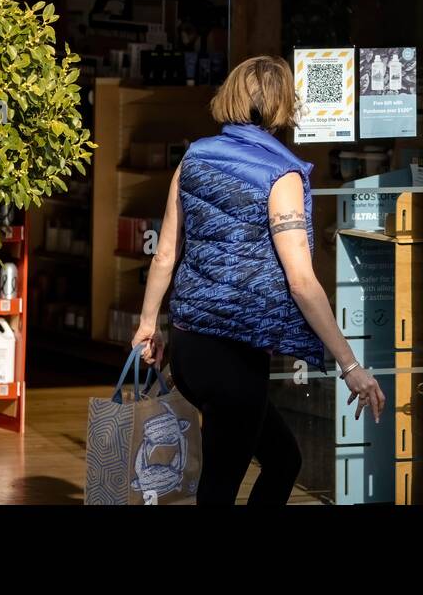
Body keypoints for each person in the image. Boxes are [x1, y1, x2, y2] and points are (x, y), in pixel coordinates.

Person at [132, 54, 386, 506]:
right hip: (234, 353)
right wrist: (350, 366)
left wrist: (147, 325)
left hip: (190, 348)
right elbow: (302, 283)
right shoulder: (280, 174)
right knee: (220, 487)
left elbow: (166, 253)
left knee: (282, 459)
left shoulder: (195, 156)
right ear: (281, 105)